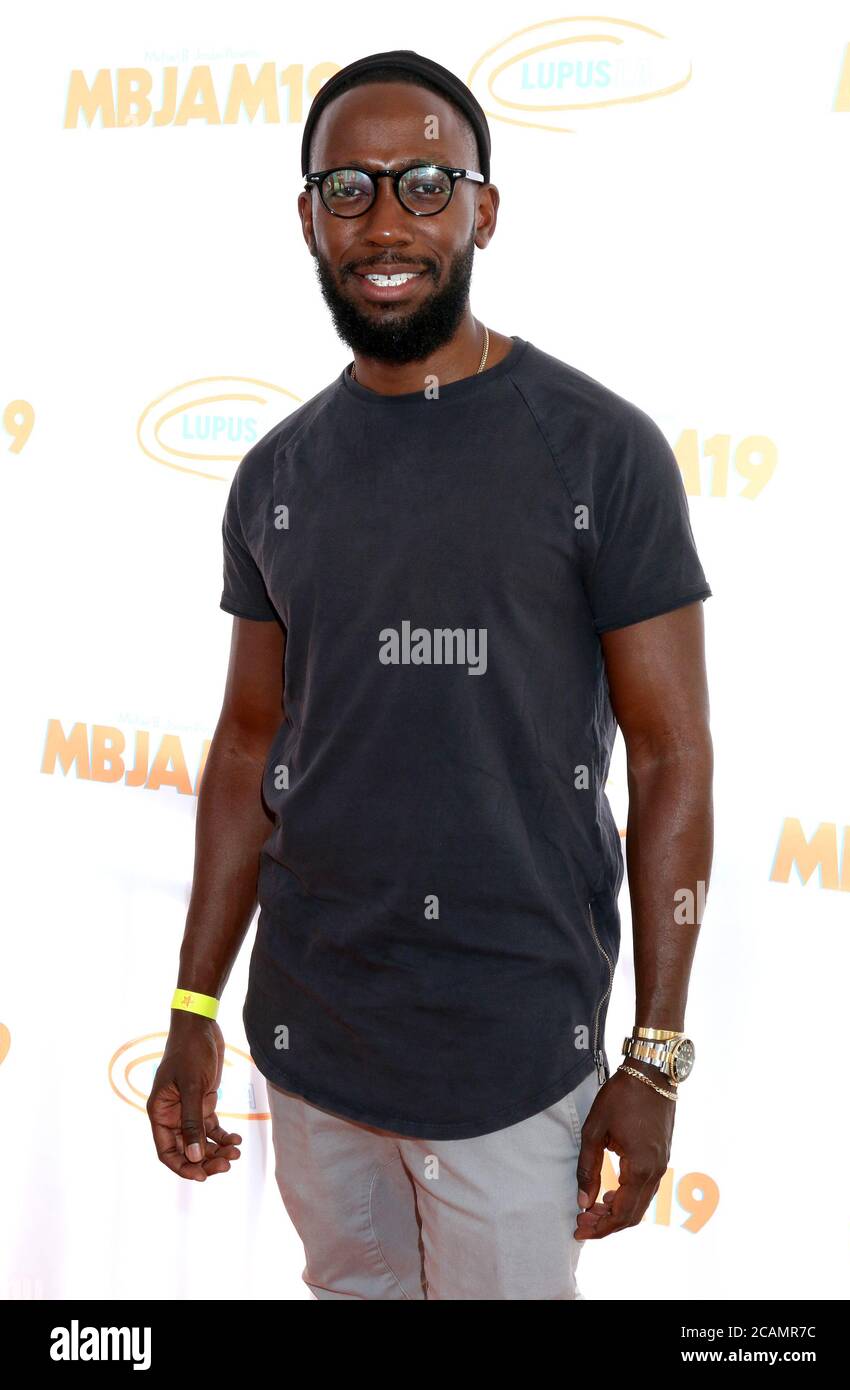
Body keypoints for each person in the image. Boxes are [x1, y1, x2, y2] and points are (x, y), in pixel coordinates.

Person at [147, 48, 713, 1301]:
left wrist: (655, 1056)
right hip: (310, 1045)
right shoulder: (277, 475)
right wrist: (194, 1000)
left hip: (510, 1058)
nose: (385, 220)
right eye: (348, 188)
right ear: (307, 217)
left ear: (482, 209)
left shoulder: (597, 451)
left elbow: (671, 753)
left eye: (422, 182)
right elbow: (251, 743)